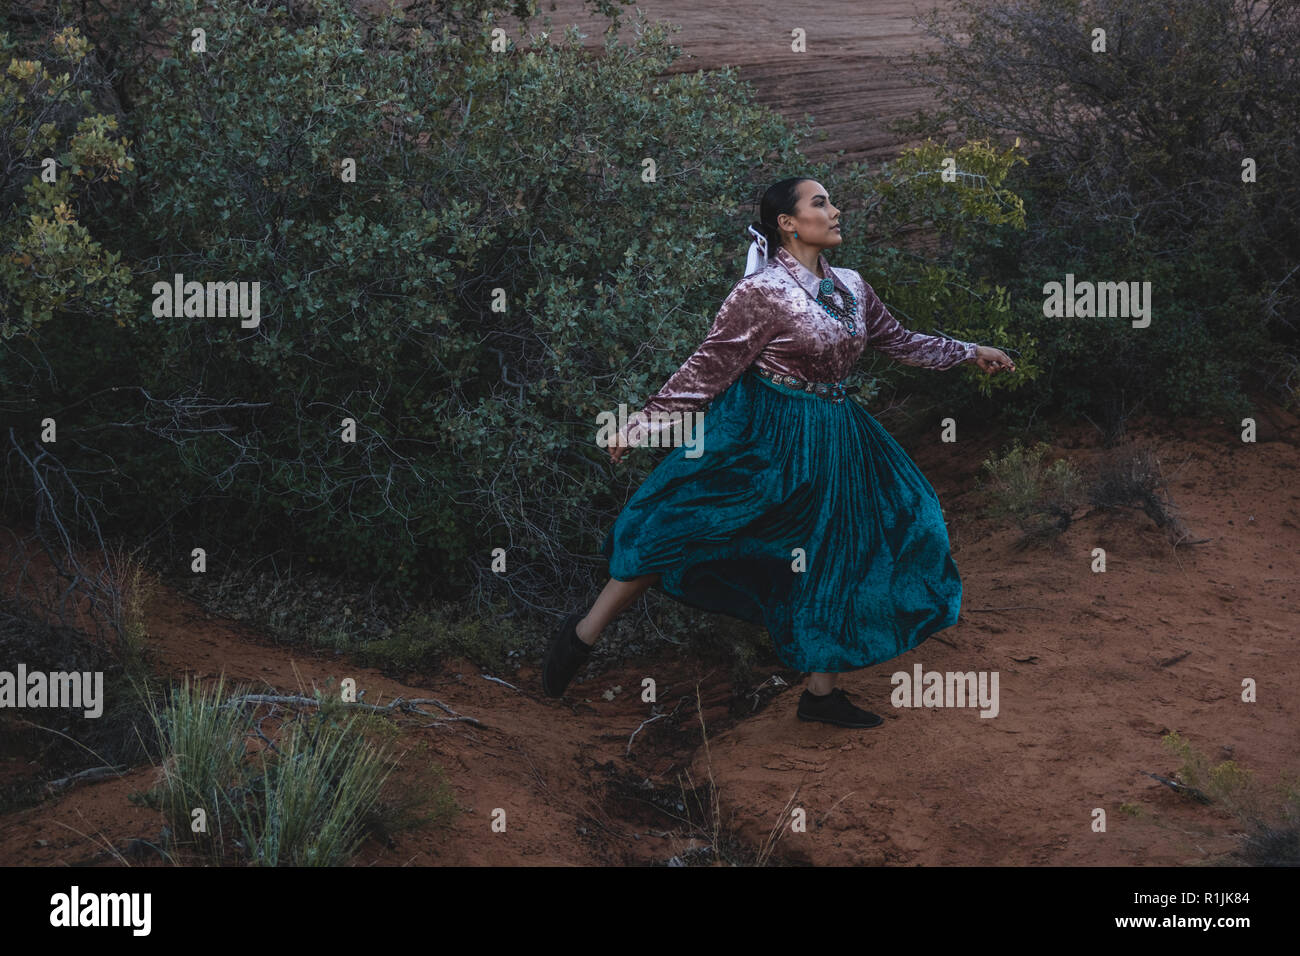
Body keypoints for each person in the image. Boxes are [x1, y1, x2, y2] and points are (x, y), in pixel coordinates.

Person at [542, 177, 1015, 728]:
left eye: (833, 201)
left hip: (838, 435)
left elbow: (899, 340)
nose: (836, 211)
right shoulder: (761, 293)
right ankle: (581, 635)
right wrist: (643, 425)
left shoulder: (853, 287)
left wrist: (969, 351)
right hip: (765, 435)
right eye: (821, 204)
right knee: (678, 522)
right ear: (787, 223)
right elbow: (708, 367)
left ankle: (820, 693)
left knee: (844, 547)